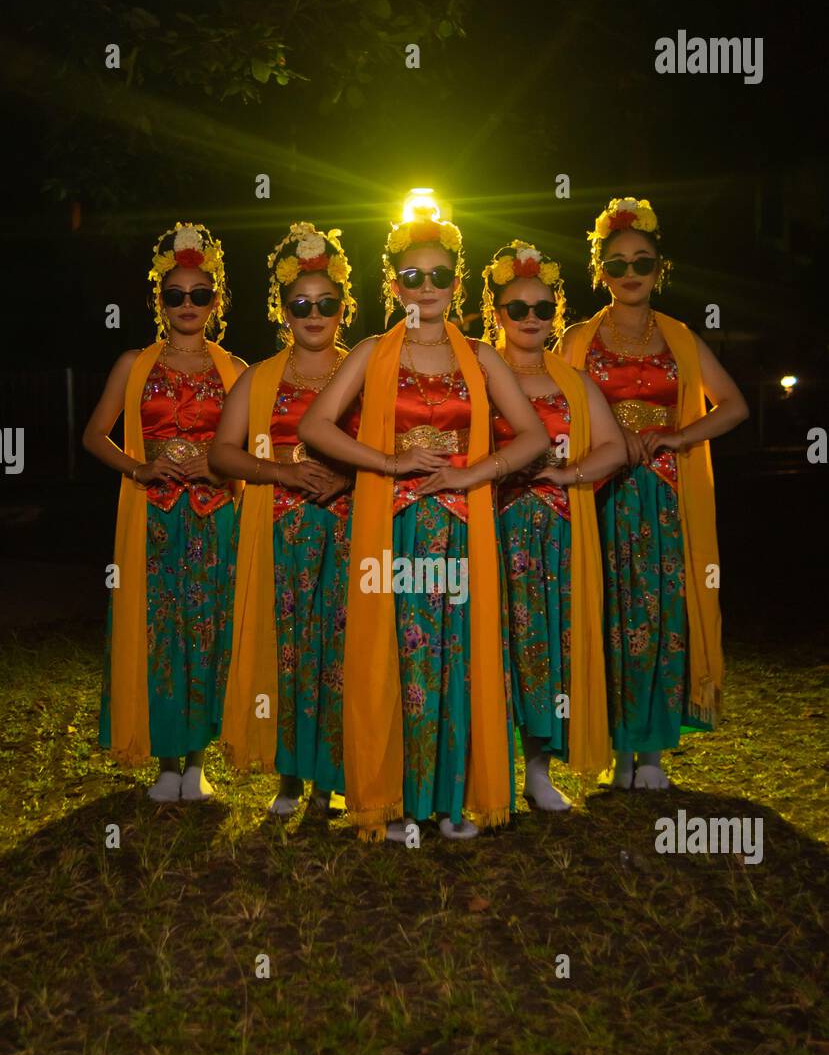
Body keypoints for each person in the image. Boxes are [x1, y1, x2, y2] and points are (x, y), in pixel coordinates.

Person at [299, 204, 549, 843]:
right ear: (394, 286)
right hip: (394, 530)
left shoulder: (484, 359)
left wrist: (473, 473)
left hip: (464, 530)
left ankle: (454, 800)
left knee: (458, 657)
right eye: (413, 277)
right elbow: (314, 427)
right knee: (396, 660)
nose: (427, 287)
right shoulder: (370, 353)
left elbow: (534, 439)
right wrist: (386, 460)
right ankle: (398, 798)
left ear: (457, 284)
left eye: (439, 275)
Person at [558, 197, 748, 789]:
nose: (630, 273)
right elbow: (557, 415)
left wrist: (675, 434)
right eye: (617, 264)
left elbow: (734, 406)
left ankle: (654, 755)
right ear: (601, 273)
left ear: (660, 268)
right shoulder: (579, 340)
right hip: (604, 496)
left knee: (662, 616)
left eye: (642, 261)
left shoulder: (682, 338)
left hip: (665, 498)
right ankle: (619, 750)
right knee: (607, 612)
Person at [83, 222, 246, 800]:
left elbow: (256, 454)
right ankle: (166, 760)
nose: (187, 304)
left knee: (208, 632)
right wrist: (139, 468)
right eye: (175, 295)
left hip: (216, 517)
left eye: (199, 295)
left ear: (215, 301)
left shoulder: (237, 371)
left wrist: (221, 468)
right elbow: (94, 436)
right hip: (152, 519)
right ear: (160, 301)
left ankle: (197, 760)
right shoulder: (134, 364)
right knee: (158, 634)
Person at [210, 223, 356, 815]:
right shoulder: (260, 377)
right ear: (283, 309)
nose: (314, 314)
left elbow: (387, 448)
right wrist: (284, 474)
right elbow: (223, 454)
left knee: (339, 653)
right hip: (279, 534)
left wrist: (349, 477)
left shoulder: (364, 371)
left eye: (326, 304)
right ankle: (290, 778)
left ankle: (332, 780)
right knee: (288, 651)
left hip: (350, 534)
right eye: (301, 305)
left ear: (343, 308)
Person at [482, 240, 626, 808]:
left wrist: (572, 476)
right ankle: (486, 770)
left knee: (547, 647)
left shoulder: (572, 382)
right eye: (518, 309)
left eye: (542, 309)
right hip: (490, 531)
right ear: (498, 315)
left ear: (555, 315)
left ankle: (538, 773)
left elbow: (616, 447)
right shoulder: (477, 375)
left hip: (558, 537)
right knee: (492, 646)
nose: (531, 319)